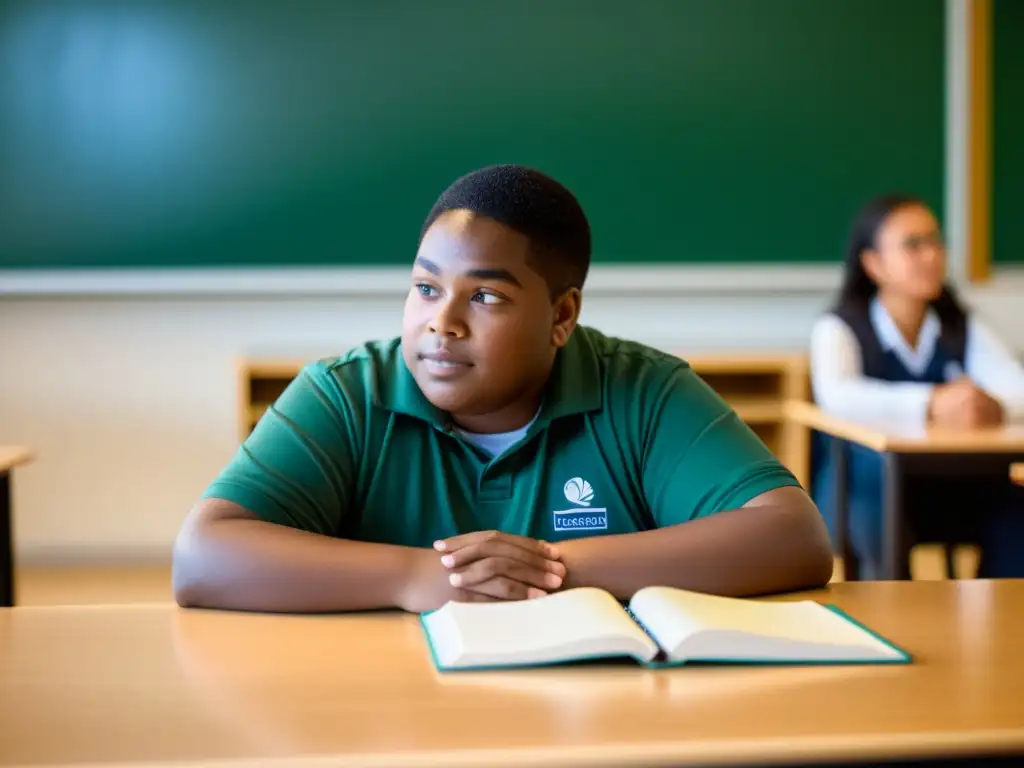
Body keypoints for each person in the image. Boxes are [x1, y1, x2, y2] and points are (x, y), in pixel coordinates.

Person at [173, 164, 833, 613]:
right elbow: (204, 555)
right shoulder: (347, 394)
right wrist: (424, 577)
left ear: (562, 316)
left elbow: (792, 536)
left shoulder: (642, 390)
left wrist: (551, 567)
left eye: (485, 295)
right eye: (426, 288)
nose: (442, 323)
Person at [809, 193, 1024, 579]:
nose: (931, 255)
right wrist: (932, 402)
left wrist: (988, 405)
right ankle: (890, 625)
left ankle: (992, 622)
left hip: (949, 485)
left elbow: (1017, 388)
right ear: (873, 263)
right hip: (864, 488)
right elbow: (838, 397)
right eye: (913, 245)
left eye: (935, 241)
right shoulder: (839, 327)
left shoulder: (960, 325)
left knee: (1015, 510)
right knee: (875, 503)